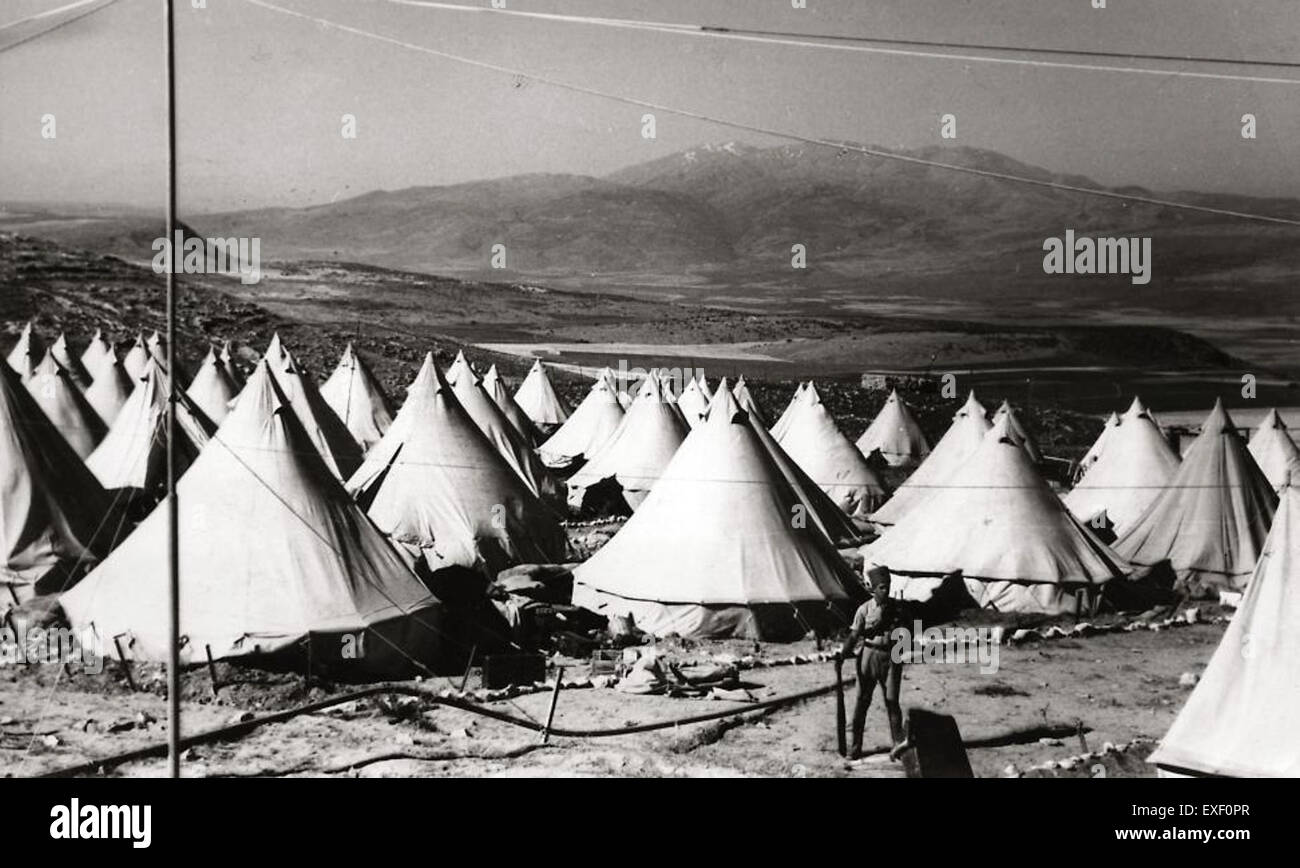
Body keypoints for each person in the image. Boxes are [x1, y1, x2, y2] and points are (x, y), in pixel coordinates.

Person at [838, 565, 908, 759]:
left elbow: (908, 630)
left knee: (892, 702)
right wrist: (843, 655)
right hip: (869, 654)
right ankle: (855, 747)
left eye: (888, 587)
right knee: (862, 702)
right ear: (873, 589)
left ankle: (898, 746)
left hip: (891, 656)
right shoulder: (864, 609)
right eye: (882, 587)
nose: (886, 591)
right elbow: (854, 635)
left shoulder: (897, 608)